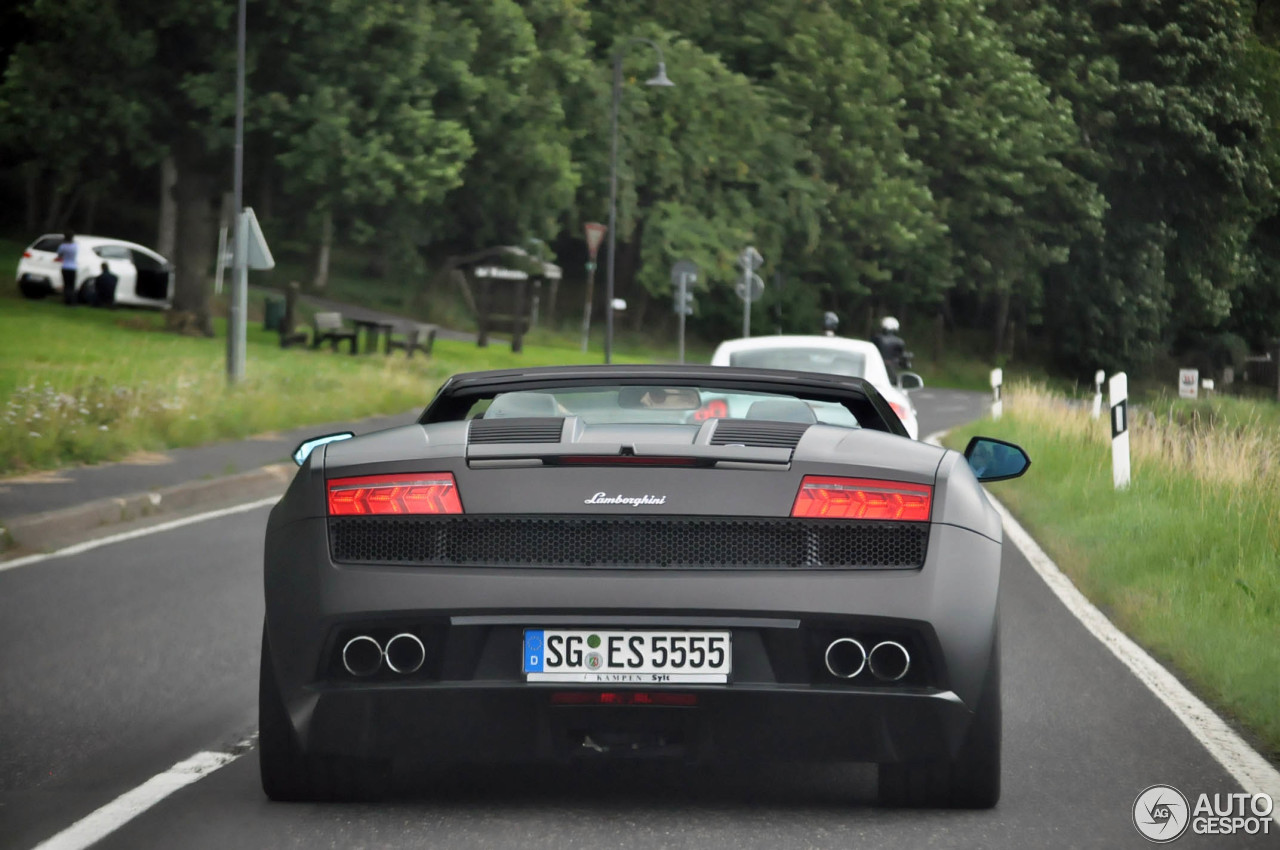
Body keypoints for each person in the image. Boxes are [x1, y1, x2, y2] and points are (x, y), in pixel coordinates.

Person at [57, 232, 79, 306]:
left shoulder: (63, 246)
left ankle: (66, 300)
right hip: (73, 267)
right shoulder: (75, 246)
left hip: (65, 266)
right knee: (72, 285)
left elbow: (59, 255)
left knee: (66, 285)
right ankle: (72, 300)